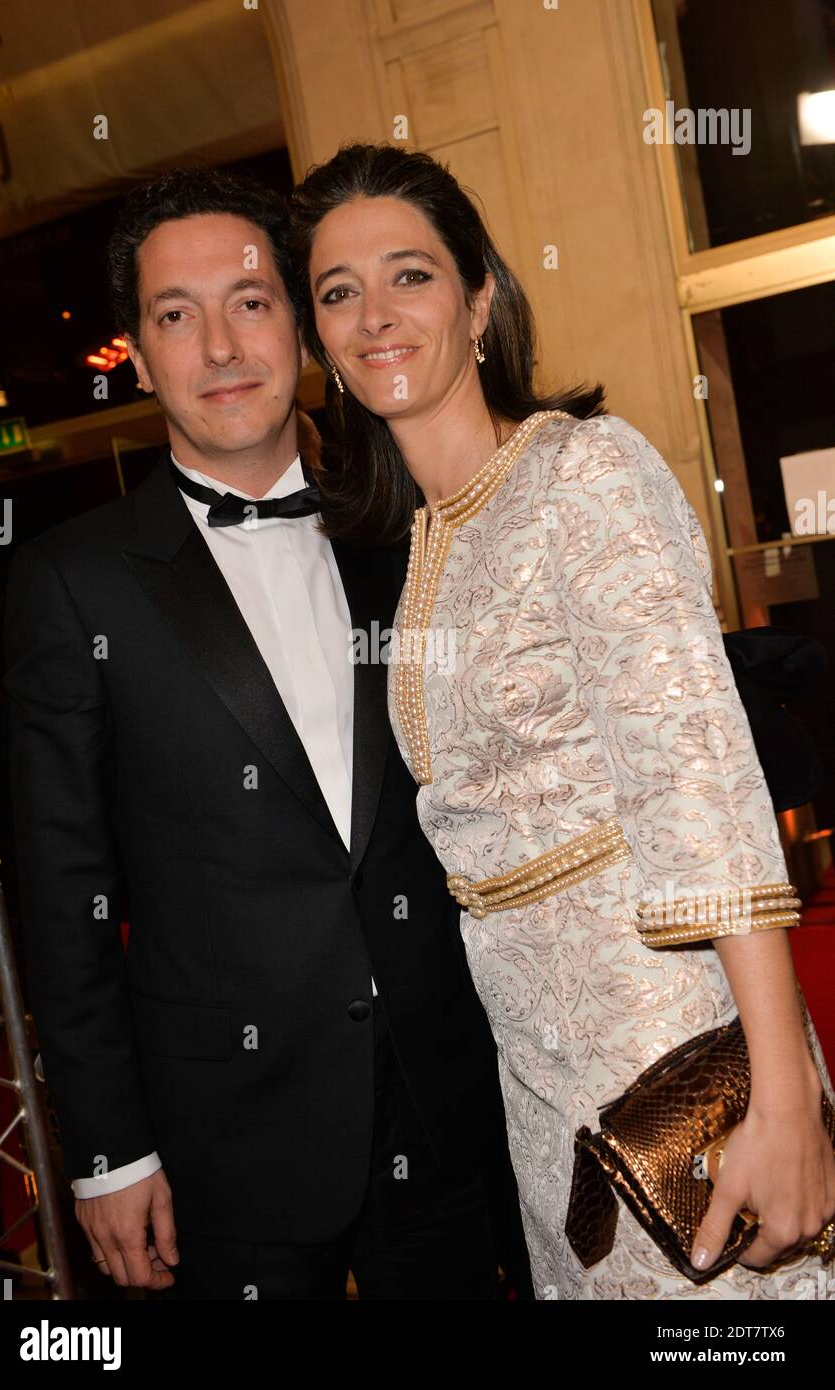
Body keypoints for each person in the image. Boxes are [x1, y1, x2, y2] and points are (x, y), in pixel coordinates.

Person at [289, 141, 835, 1299]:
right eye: (338, 291)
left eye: (411, 275)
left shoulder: (581, 474)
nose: (374, 314)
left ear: (482, 297)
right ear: (321, 341)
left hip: (671, 1041)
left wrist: (782, 1099)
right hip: (535, 1079)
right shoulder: (423, 538)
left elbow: (699, 780)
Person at [2, 166, 533, 1301]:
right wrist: (108, 1147)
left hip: (446, 1098)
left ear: (301, 325)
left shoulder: (406, 520)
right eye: (174, 317)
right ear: (138, 359)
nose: (220, 346)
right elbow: (64, 892)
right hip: (220, 1141)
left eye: (249, 301)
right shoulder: (73, 584)